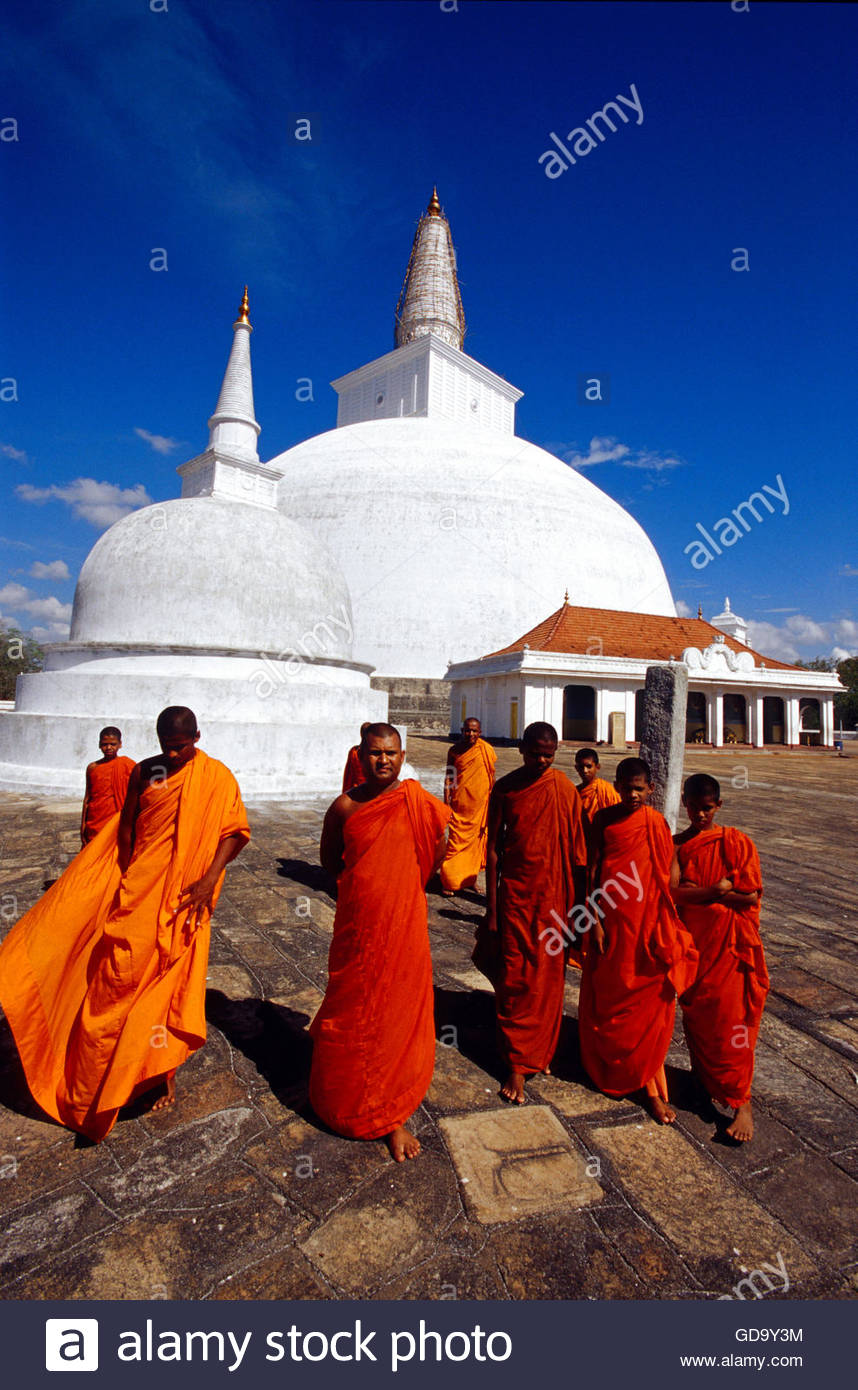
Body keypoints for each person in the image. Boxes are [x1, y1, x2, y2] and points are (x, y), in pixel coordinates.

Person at [0, 707, 249, 1142]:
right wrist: (130, 874)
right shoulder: (149, 771)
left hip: (186, 895)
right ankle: (93, 1084)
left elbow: (233, 832)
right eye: (167, 744)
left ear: (197, 736)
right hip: (140, 890)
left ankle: (158, 1073)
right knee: (116, 981)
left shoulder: (216, 776)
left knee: (166, 984)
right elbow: (130, 825)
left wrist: (209, 879)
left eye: (182, 745)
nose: (173, 753)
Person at [311, 722, 450, 1161]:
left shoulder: (415, 802)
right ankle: (346, 1095)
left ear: (403, 756)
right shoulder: (346, 808)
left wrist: (400, 884)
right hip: (358, 926)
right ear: (361, 755)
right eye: (374, 753)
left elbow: (438, 847)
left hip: (402, 924)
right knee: (353, 1006)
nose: (383, 760)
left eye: (390, 753)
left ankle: (391, 1113)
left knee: (395, 1010)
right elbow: (330, 860)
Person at [578, 757, 697, 1124]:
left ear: (650, 789)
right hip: (612, 925)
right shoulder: (604, 820)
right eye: (625, 787)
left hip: (647, 928)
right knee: (609, 998)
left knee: (650, 1006)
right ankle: (609, 1067)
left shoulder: (655, 823)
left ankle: (650, 1087)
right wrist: (594, 920)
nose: (631, 794)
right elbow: (593, 870)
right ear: (615, 785)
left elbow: (666, 878)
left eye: (638, 788)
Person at [484, 722, 587, 1104]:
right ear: (521, 749)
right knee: (516, 976)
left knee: (547, 979)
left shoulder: (562, 789)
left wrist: (580, 913)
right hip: (516, 896)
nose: (542, 761)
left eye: (549, 755)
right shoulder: (506, 788)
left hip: (555, 899)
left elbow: (578, 856)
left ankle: (539, 1052)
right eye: (535, 753)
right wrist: (492, 910)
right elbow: (493, 849)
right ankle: (515, 1063)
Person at [674, 773, 768, 1142]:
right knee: (699, 1019)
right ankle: (703, 1081)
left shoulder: (736, 842)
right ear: (685, 804)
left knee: (734, 1021)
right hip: (697, 948)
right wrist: (716, 889)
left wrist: (704, 894)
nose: (700, 815)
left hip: (729, 949)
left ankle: (741, 1101)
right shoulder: (677, 845)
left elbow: (750, 897)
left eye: (707, 809)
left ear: (719, 806)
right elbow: (675, 893)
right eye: (695, 808)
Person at [440, 717, 497, 896]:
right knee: (454, 844)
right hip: (460, 805)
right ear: (462, 730)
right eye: (467, 730)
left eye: (474, 731)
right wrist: (446, 796)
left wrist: (494, 799)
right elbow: (450, 774)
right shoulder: (454, 751)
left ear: (480, 732)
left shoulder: (486, 750)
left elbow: (491, 776)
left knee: (475, 845)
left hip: (480, 806)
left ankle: (470, 880)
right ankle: (449, 880)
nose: (470, 734)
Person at [80, 726, 136, 845]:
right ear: (99, 744)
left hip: (116, 820)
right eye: (105, 744)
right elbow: (87, 798)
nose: (109, 747)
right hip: (95, 821)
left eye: (113, 744)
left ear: (120, 744)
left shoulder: (127, 765)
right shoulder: (93, 768)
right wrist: (83, 825)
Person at [574, 747, 620, 822]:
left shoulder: (606, 789)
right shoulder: (574, 792)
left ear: (597, 767)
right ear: (576, 768)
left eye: (589, 766)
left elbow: (617, 815)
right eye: (581, 767)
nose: (585, 771)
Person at [341, 722, 371, 792]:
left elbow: (348, 776)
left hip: (357, 791)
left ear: (360, 734)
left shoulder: (354, 751)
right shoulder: (375, 753)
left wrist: (346, 792)